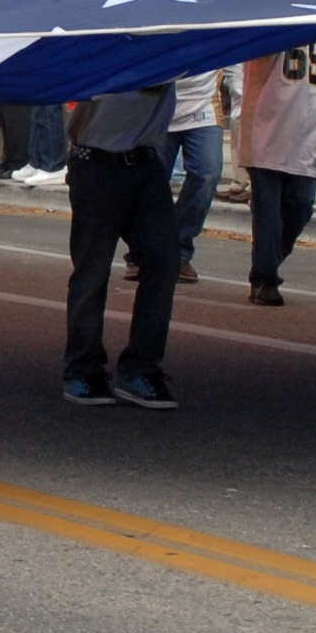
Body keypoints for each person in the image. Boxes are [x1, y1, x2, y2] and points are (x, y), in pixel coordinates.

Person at [56, 81, 188, 408]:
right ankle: (83, 369)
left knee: (164, 261)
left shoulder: (175, 41)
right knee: (93, 270)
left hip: (145, 163)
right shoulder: (107, 35)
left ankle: (141, 367)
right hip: (96, 162)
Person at [237, 40, 316, 308]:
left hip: (307, 132)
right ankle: (266, 280)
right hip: (267, 128)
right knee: (269, 214)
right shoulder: (276, 17)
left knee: (301, 206)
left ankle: (267, 265)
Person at [135, 67, 228, 286]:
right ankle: (141, 251)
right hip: (158, 102)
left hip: (204, 105)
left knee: (207, 173)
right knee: (150, 182)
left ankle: (179, 249)